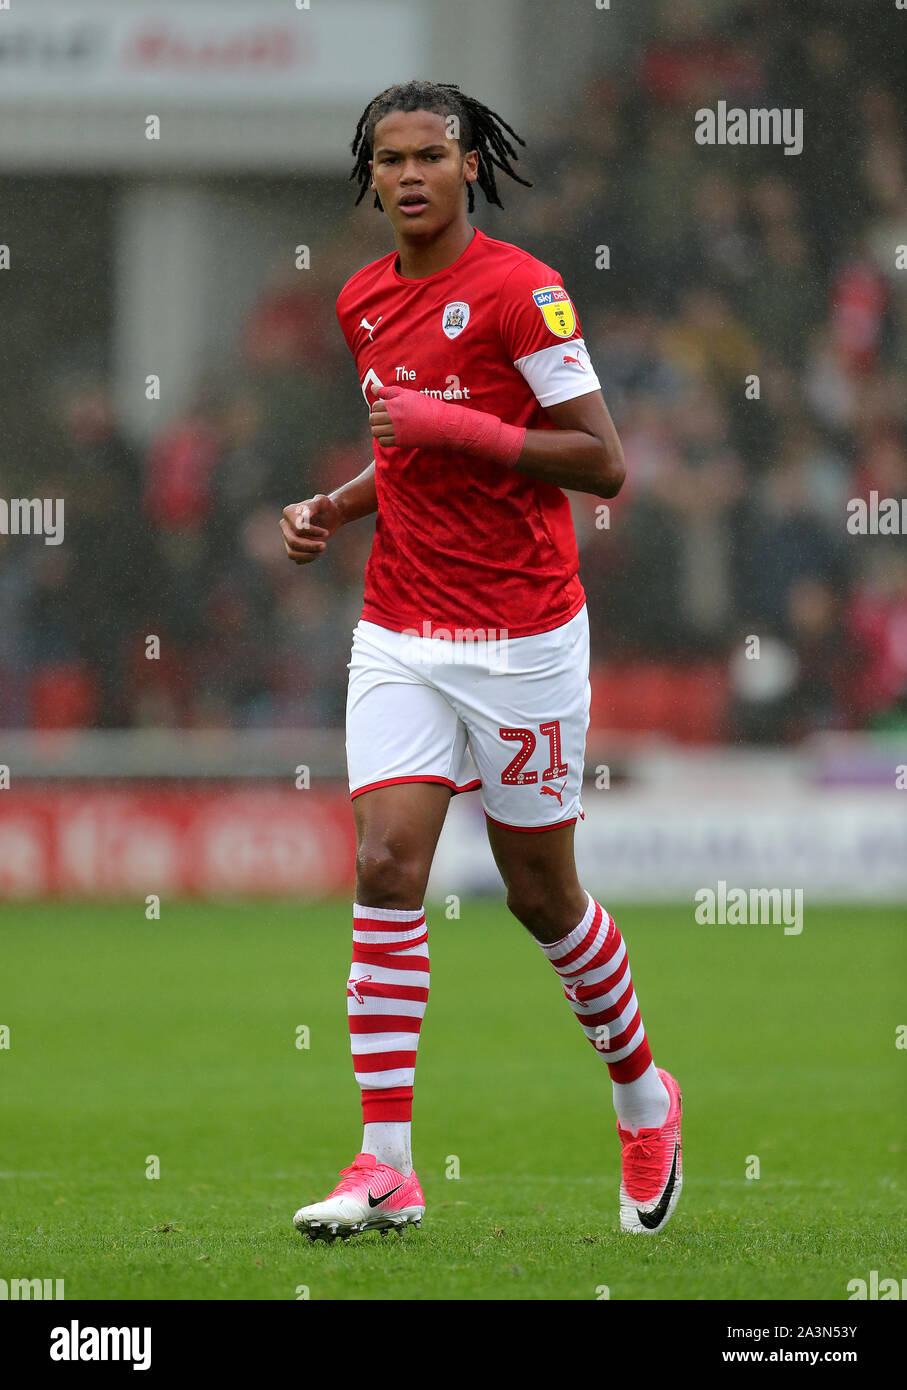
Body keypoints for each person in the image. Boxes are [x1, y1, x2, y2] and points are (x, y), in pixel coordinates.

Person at [279, 80, 682, 1241]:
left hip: (522, 640)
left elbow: (602, 466)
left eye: (429, 156)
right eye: (388, 159)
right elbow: (404, 457)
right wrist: (335, 506)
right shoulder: (360, 299)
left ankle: (644, 1096)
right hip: (401, 628)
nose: (408, 174)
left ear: (469, 169)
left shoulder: (524, 293)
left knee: (540, 896)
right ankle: (387, 1164)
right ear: (370, 177)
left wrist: (462, 427)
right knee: (388, 867)